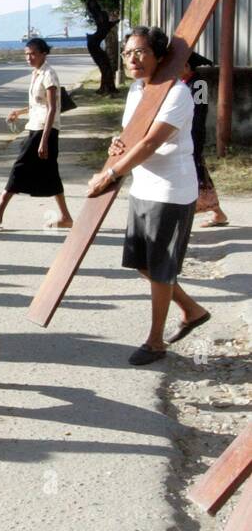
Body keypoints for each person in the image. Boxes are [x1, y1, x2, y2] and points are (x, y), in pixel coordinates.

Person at [86, 27, 210, 365]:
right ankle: (192, 309)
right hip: (143, 187)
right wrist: (117, 143)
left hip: (170, 192)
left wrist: (111, 173)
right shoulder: (138, 90)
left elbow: (152, 143)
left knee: (160, 269)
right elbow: (135, 136)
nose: (132, 59)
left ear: (159, 56)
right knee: (144, 264)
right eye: (127, 53)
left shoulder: (177, 94)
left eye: (140, 52)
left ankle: (156, 342)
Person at [0, 37, 74, 229]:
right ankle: (66, 217)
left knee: (19, 168)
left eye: (33, 53)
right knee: (50, 174)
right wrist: (19, 112)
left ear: (43, 54)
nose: (29, 57)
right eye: (26, 54)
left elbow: (52, 108)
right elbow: (37, 105)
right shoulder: (37, 73)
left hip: (43, 131)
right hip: (35, 127)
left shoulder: (49, 74)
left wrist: (44, 140)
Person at [184, 53, 228, 227]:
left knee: (196, 172)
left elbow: (198, 114)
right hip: (187, 134)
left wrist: (191, 136)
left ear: (187, 66)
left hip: (193, 133)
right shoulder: (183, 82)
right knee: (198, 173)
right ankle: (217, 212)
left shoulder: (198, 84)